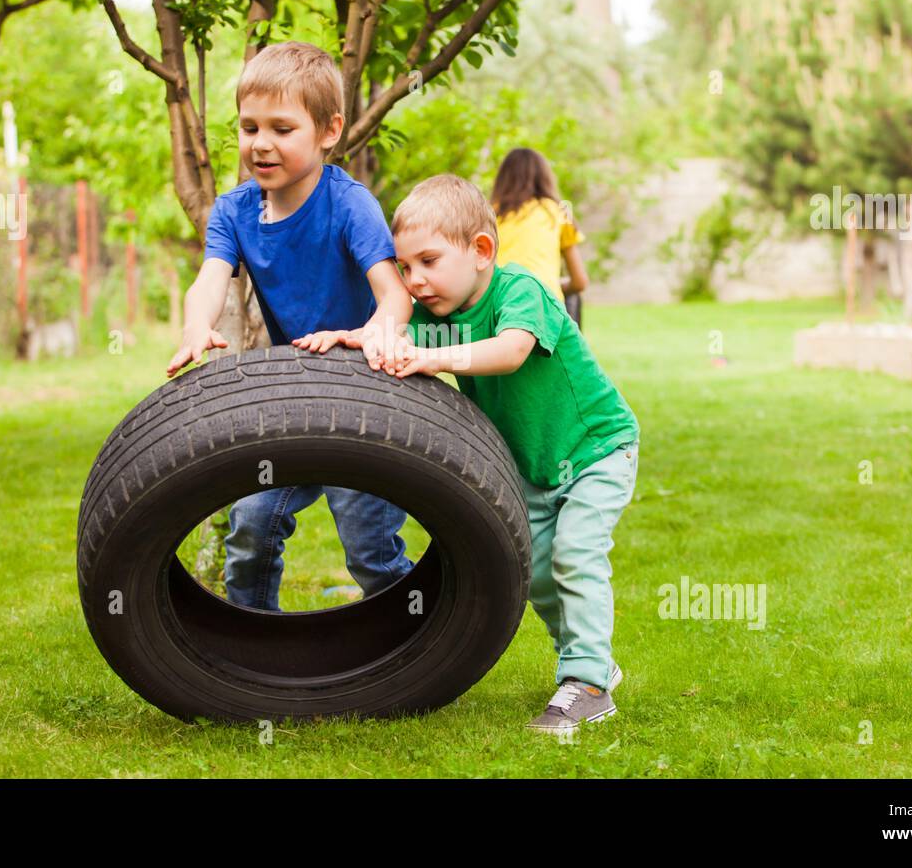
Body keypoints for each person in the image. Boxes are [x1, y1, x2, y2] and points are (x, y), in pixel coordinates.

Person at [294, 174, 639, 732]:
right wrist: (353, 337)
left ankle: (588, 682)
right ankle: (590, 659)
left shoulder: (518, 289)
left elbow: (510, 351)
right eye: (406, 267)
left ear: (481, 251)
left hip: (596, 448)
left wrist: (436, 359)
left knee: (575, 554)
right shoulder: (435, 314)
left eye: (429, 261)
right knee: (538, 575)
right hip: (531, 467)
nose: (415, 280)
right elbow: (394, 332)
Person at [165, 41, 415, 612]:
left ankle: (408, 641)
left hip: (365, 395)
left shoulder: (351, 206)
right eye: (249, 127)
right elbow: (210, 278)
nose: (261, 143)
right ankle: (251, 636)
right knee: (251, 524)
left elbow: (394, 295)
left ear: (329, 131)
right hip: (297, 396)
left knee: (369, 549)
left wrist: (375, 331)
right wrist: (195, 326)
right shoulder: (234, 211)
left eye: (282, 128)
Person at [490, 147, 589, 326]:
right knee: (573, 297)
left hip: (499, 304)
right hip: (546, 306)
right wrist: (551, 285)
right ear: (544, 178)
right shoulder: (558, 210)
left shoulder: (489, 214)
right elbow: (579, 281)